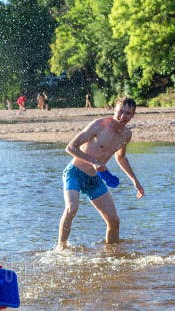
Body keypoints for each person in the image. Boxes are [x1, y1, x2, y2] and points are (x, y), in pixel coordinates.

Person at [57, 97, 145, 249]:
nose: (123, 116)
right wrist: (94, 162)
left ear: (133, 115)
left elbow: (121, 157)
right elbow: (70, 147)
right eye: (120, 112)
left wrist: (135, 181)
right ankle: (61, 247)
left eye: (128, 113)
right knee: (72, 208)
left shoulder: (126, 135)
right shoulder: (99, 125)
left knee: (114, 221)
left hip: (94, 179)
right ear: (114, 110)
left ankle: (112, 254)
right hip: (75, 173)